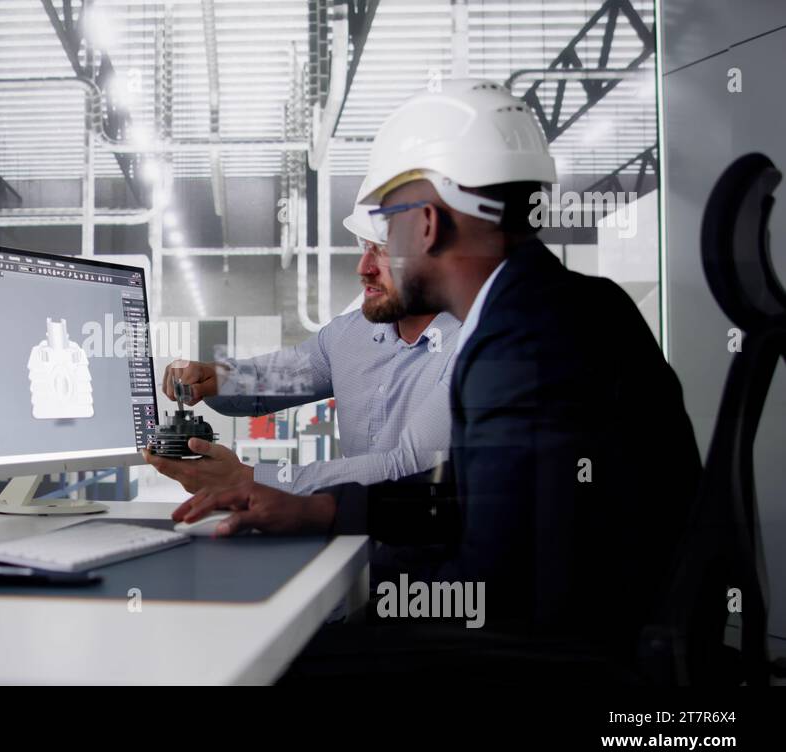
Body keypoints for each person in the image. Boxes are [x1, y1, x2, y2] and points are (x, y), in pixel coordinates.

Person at [176, 79, 702, 655]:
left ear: (425, 223)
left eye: (385, 225)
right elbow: (474, 500)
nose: (368, 261)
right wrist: (327, 510)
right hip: (566, 627)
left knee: (270, 653)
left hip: (570, 660)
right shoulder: (548, 307)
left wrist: (347, 602)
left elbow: (491, 580)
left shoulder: (521, 340)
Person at [143, 184, 461, 496]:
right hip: (355, 531)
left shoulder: (469, 347)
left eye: (384, 252)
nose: (363, 268)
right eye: (365, 247)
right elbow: (268, 382)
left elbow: (407, 466)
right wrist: (214, 378)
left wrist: (249, 479)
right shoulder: (348, 336)